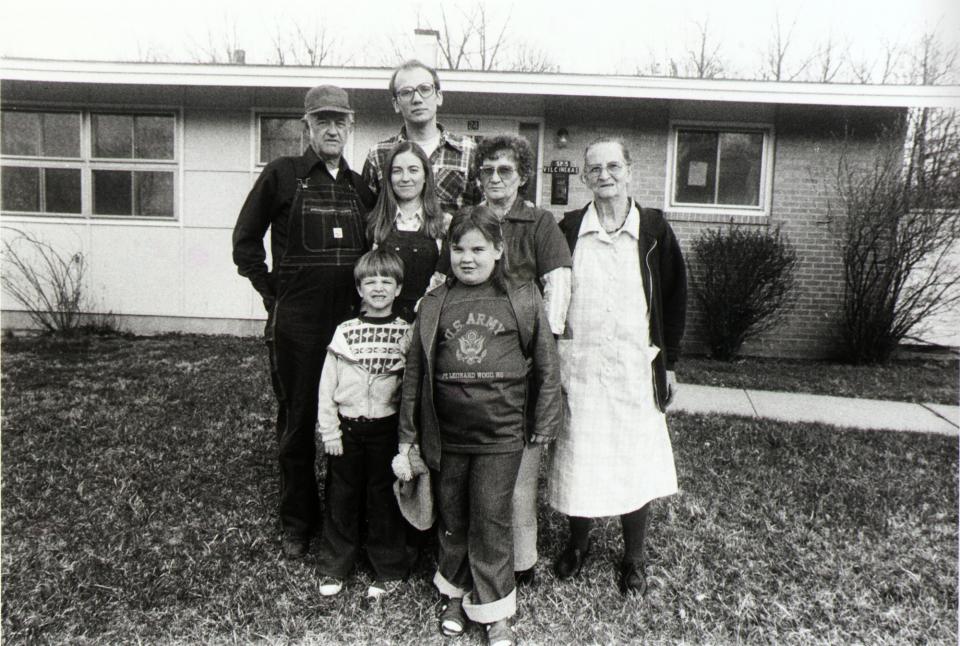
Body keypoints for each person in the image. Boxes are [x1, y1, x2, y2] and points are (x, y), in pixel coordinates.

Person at [398, 207, 561, 646]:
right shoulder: (434, 302)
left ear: (499, 250)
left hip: (501, 434)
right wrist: (408, 437)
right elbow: (415, 374)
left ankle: (494, 609)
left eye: (478, 249)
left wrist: (544, 420)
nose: (467, 258)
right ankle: (454, 592)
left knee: (490, 517)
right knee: (452, 517)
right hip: (447, 436)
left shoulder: (522, 297)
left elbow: (547, 364)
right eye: (458, 249)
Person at [232, 85, 374, 559]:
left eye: (340, 121)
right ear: (306, 127)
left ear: (350, 127)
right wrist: (273, 295)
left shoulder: (360, 189)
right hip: (297, 325)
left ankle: (341, 517)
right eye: (322, 121)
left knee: (350, 422)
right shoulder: (283, 174)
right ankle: (297, 520)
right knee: (297, 422)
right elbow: (245, 242)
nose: (332, 129)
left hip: (351, 326)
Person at [547, 137, 687, 596]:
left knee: (633, 459)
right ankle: (579, 544)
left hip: (634, 364)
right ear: (584, 178)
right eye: (595, 168)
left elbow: (672, 299)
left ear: (629, 170)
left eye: (613, 166)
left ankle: (633, 558)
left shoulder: (654, 229)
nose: (604, 175)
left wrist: (667, 364)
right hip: (581, 365)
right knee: (579, 455)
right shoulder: (567, 228)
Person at [436, 134, 572, 585]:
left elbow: (557, 286)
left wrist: (539, 349)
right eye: (488, 170)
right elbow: (442, 281)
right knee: (469, 481)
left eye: (505, 171)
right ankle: (467, 560)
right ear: (478, 177)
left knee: (516, 477)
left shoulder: (537, 222)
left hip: (521, 359)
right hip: (471, 357)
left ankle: (520, 562)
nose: (495, 178)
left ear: (523, 177)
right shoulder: (466, 221)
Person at [314, 249, 412, 599]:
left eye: (387, 281)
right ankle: (334, 566)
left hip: (386, 432)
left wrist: (407, 439)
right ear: (359, 288)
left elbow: (409, 392)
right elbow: (327, 386)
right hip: (348, 431)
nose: (379, 287)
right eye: (370, 281)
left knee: (384, 499)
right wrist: (330, 431)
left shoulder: (406, 333)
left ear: (399, 289)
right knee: (342, 497)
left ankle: (388, 568)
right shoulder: (345, 332)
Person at [362, 59, 481, 215]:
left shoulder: (468, 152)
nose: (417, 99)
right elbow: (367, 216)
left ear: (438, 97)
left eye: (425, 89)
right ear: (396, 104)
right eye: (406, 92)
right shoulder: (378, 155)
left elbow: (483, 215)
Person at [365, 141, 451, 321]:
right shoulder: (374, 224)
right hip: (382, 323)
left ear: (426, 175)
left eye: (413, 170)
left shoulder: (445, 224)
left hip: (430, 322)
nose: (405, 178)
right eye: (397, 171)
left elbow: (446, 281)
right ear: (388, 178)